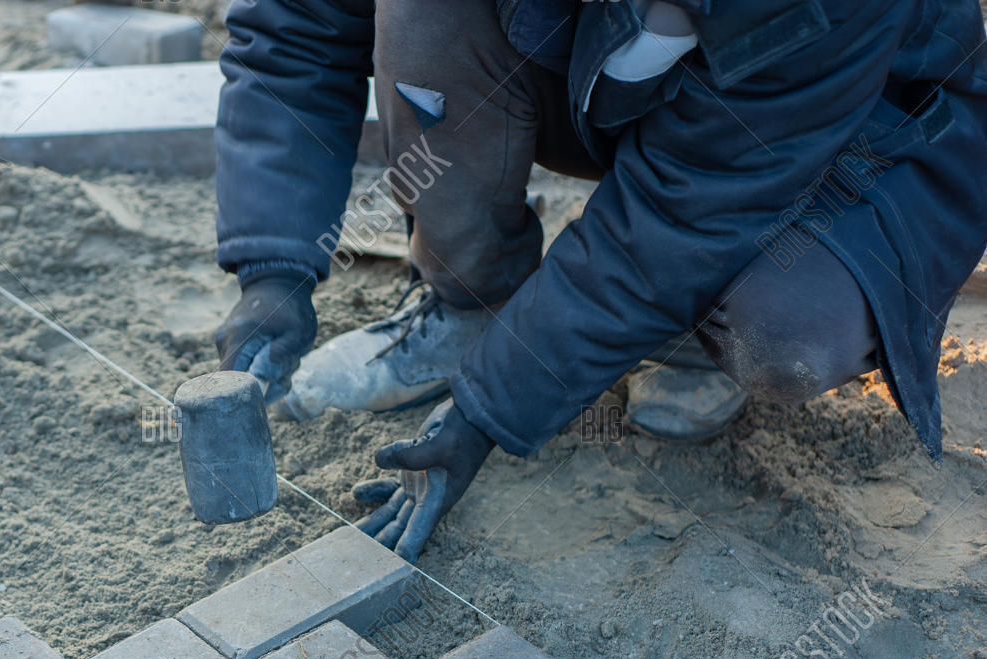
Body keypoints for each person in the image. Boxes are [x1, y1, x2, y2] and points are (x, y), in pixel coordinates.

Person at [212, 0, 987, 561]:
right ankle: (470, 302)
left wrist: (488, 410)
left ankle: (693, 331)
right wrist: (272, 264)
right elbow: (295, 27)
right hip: (613, 59)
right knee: (424, 13)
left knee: (785, 327)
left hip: (849, 127)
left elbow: (683, 216)